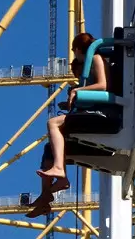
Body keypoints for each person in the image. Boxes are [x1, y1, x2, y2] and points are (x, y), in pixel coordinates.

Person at [31, 33, 113, 214]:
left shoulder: (97, 59)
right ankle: (47, 194)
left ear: (77, 49)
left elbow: (102, 85)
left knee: (53, 123)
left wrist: (78, 90)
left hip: (101, 113)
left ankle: (59, 169)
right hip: (90, 111)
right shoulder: (89, 63)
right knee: (49, 149)